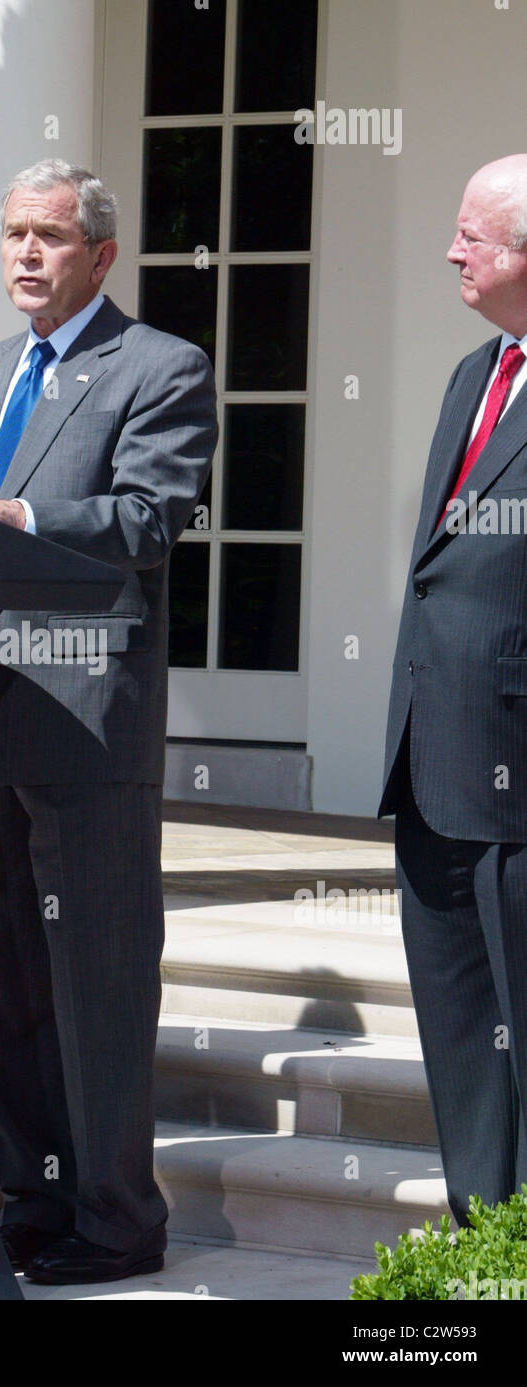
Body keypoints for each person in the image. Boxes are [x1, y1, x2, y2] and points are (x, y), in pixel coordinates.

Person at [0, 158, 217, 1283]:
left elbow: (151, 514)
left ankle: (118, 1220)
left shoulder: (160, 367)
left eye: (47, 237)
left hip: (87, 726)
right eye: (11, 236)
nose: (25, 256)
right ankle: (34, 1204)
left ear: (100, 255)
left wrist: (26, 516)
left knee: (93, 982)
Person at [380, 154, 527, 1224]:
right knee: (463, 1028)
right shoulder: (474, 374)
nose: (452, 249)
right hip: (434, 759)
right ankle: (489, 1245)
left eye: (474, 234)